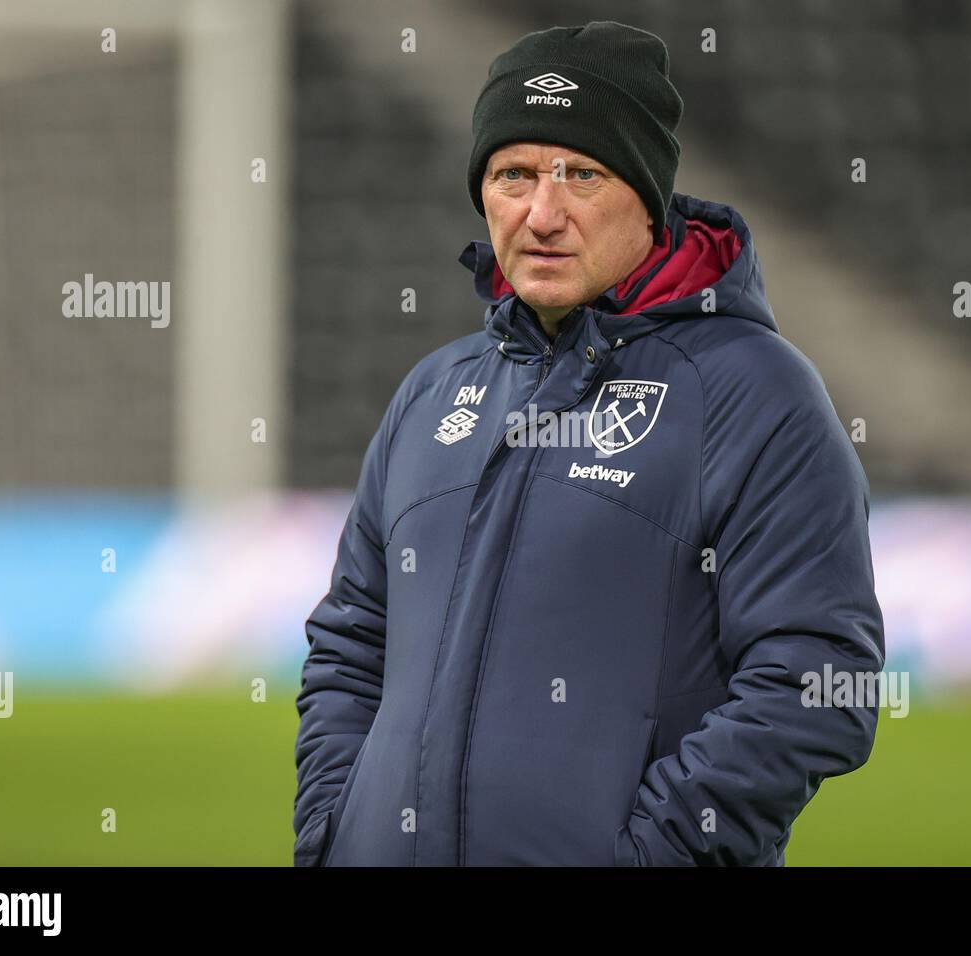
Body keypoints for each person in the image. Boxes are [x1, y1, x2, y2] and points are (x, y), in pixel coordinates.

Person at [293, 20, 885, 867]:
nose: (542, 213)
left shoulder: (753, 393)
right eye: (513, 175)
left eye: (582, 173)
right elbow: (351, 650)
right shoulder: (431, 392)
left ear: (648, 195)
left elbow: (821, 683)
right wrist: (330, 839)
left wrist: (655, 854)